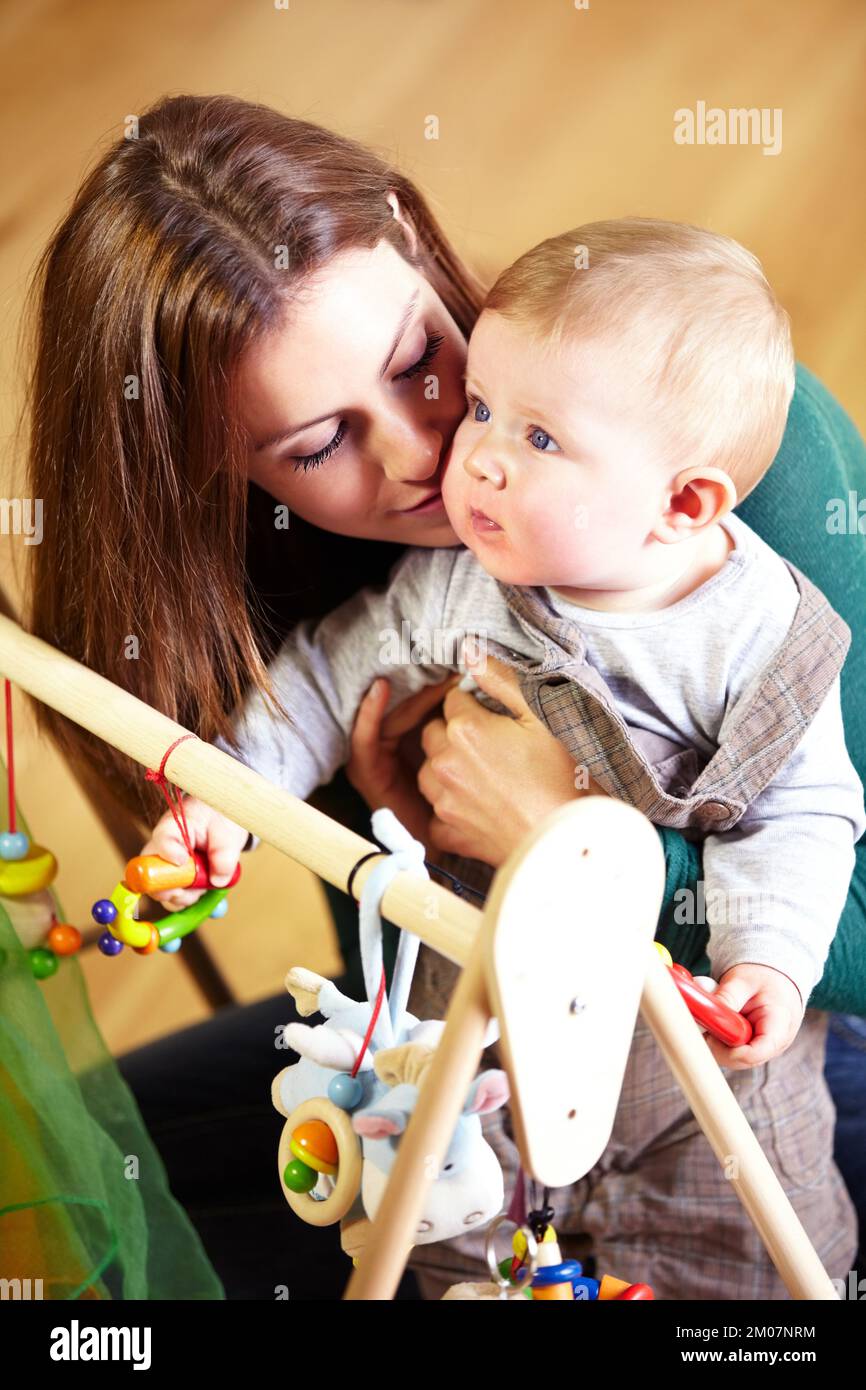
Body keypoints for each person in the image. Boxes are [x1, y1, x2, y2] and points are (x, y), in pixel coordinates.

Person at [19, 93, 864, 1298]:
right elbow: (317, 703)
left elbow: (810, 828)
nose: (434, 456)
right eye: (317, 446)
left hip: (752, 1063)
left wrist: (563, 842)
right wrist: (230, 796)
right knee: (92, 1225)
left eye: (422, 363)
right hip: (494, 1069)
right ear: (217, 467)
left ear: (415, 238)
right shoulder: (439, 577)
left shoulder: (722, 506)